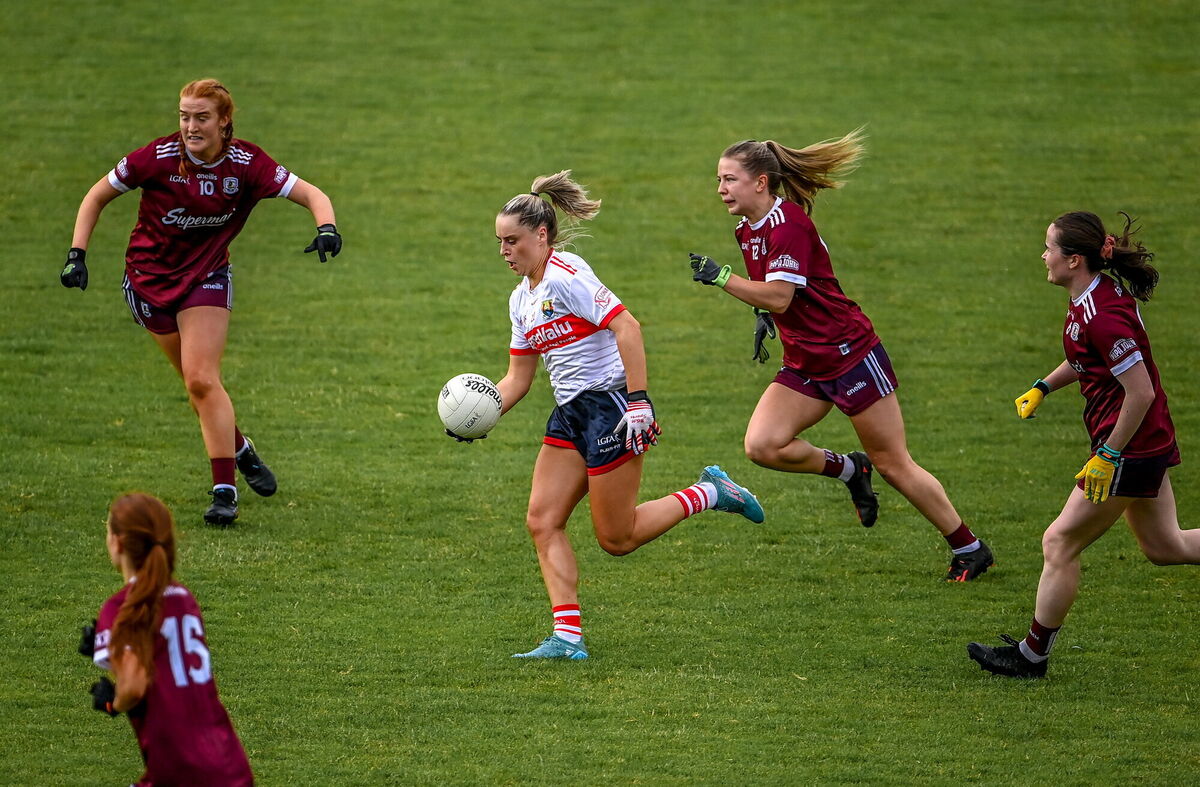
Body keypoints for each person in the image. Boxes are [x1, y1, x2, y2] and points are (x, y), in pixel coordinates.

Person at [452, 171, 765, 660]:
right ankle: (567, 638)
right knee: (542, 520)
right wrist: (482, 413)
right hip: (570, 414)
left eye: (512, 241)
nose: (504, 251)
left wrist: (638, 401)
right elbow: (518, 378)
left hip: (613, 409)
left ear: (541, 235)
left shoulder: (567, 276)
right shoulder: (521, 300)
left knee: (617, 538)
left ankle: (710, 492)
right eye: (499, 242)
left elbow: (628, 328)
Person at [688, 130, 992, 580]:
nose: (720, 189)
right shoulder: (747, 229)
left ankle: (970, 548)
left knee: (894, 463)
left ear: (761, 182)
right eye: (719, 179)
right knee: (763, 445)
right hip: (806, 361)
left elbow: (781, 296)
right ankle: (851, 470)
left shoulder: (787, 224)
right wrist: (761, 316)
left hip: (849, 355)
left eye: (729, 179)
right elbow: (776, 293)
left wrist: (723, 278)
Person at [60, 78, 342, 526]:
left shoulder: (248, 163)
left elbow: (312, 193)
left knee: (202, 379)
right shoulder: (155, 158)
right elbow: (97, 195)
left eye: (201, 117)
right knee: (198, 388)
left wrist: (326, 226)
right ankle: (242, 449)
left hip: (207, 277)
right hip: (148, 282)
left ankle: (224, 492)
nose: (190, 126)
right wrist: (77, 253)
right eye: (184, 115)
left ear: (223, 122)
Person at [968, 211, 1199, 678]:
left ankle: (1032, 657)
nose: (1043, 255)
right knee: (1165, 546)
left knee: (1059, 541)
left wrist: (1108, 456)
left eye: (1049, 247)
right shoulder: (1088, 300)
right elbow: (1083, 358)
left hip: (1130, 448)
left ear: (1074, 260)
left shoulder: (1106, 316)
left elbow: (1141, 392)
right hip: (1138, 443)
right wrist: (1044, 386)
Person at [78, 493, 254, 785]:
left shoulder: (120, 607)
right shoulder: (184, 598)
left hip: (179, 771)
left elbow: (134, 687)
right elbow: (166, 660)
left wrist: (113, 703)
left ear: (118, 543)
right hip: (229, 764)